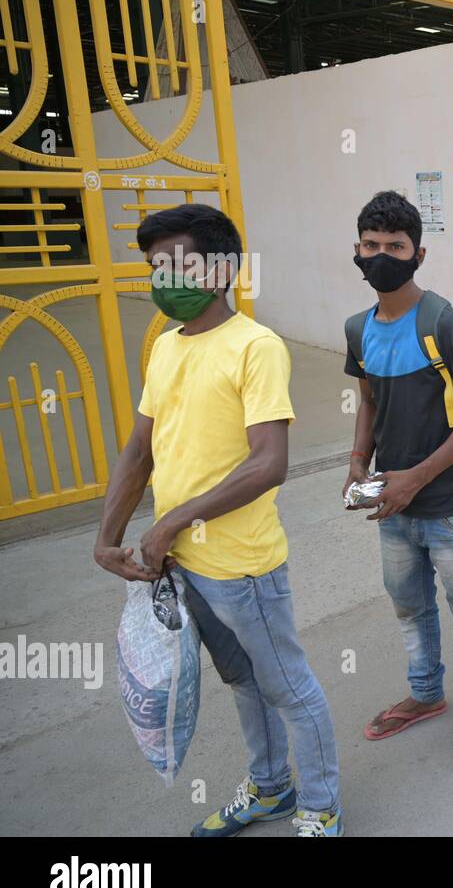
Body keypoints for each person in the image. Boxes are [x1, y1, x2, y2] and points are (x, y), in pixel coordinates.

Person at [93, 204, 343, 837]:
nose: (163, 277)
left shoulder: (256, 347)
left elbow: (270, 463)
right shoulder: (167, 348)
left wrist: (172, 519)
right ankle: (270, 790)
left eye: (178, 262)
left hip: (242, 566)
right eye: (155, 267)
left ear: (223, 268)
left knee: (287, 686)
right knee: (244, 683)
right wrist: (107, 537)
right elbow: (140, 449)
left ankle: (321, 807)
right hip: (183, 564)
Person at [342, 190, 453, 773]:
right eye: (371, 245)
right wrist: (359, 460)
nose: (381, 255)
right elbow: (367, 400)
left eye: (395, 246)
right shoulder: (358, 328)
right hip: (393, 504)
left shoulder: (442, 322)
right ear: (357, 252)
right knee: (410, 609)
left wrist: (417, 478)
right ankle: (426, 693)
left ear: (418, 253)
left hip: (450, 503)